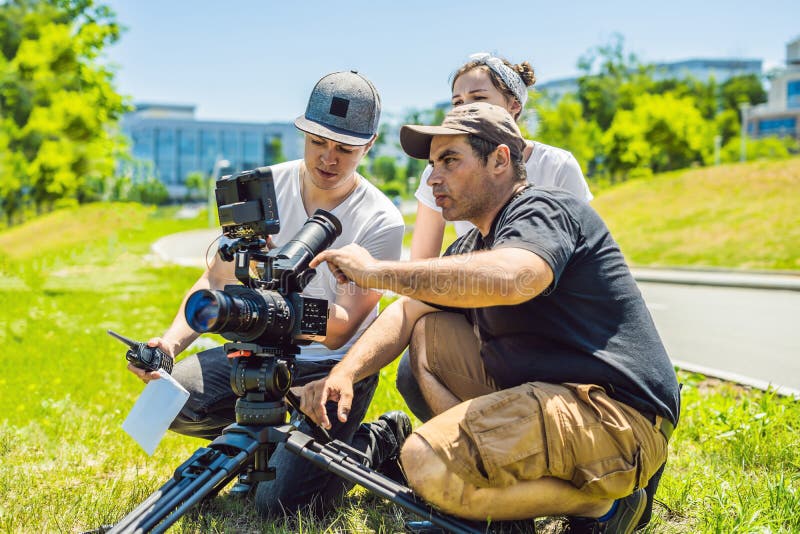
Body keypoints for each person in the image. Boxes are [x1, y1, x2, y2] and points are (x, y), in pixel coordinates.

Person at [301, 102, 680, 533]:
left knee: (425, 462)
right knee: (429, 330)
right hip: (550, 400)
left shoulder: (544, 210)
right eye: (431, 165)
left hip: (615, 415)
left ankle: (605, 507)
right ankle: (499, 505)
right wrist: (345, 373)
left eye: (449, 160)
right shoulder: (477, 242)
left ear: (499, 159)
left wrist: (378, 271)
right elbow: (406, 313)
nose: (432, 178)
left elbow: (516, 277)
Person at [127, 70, 410, 517]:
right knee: (174, 399)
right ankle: (260, 440)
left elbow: (341, 329)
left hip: (330, 370)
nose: (328, 158)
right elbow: (214, 281)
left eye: (345, 149)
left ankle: (374, 440)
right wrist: (170, 343)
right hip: (258, 355)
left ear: (369, 146)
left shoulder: (381, 220)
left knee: (281, 505)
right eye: (318, 142)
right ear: (303, 131)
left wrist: (281, 304)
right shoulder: (260, 189)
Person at [399, 52, 593, 424]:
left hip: (547, 312)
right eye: (457, 102)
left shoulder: (556, 166)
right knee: (413, 366)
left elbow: (585, 251)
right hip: (476, 308)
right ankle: (465, 451)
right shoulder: (438, 173)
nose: (463, 110)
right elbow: (420, 270)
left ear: (513, 106)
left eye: (478, 99)